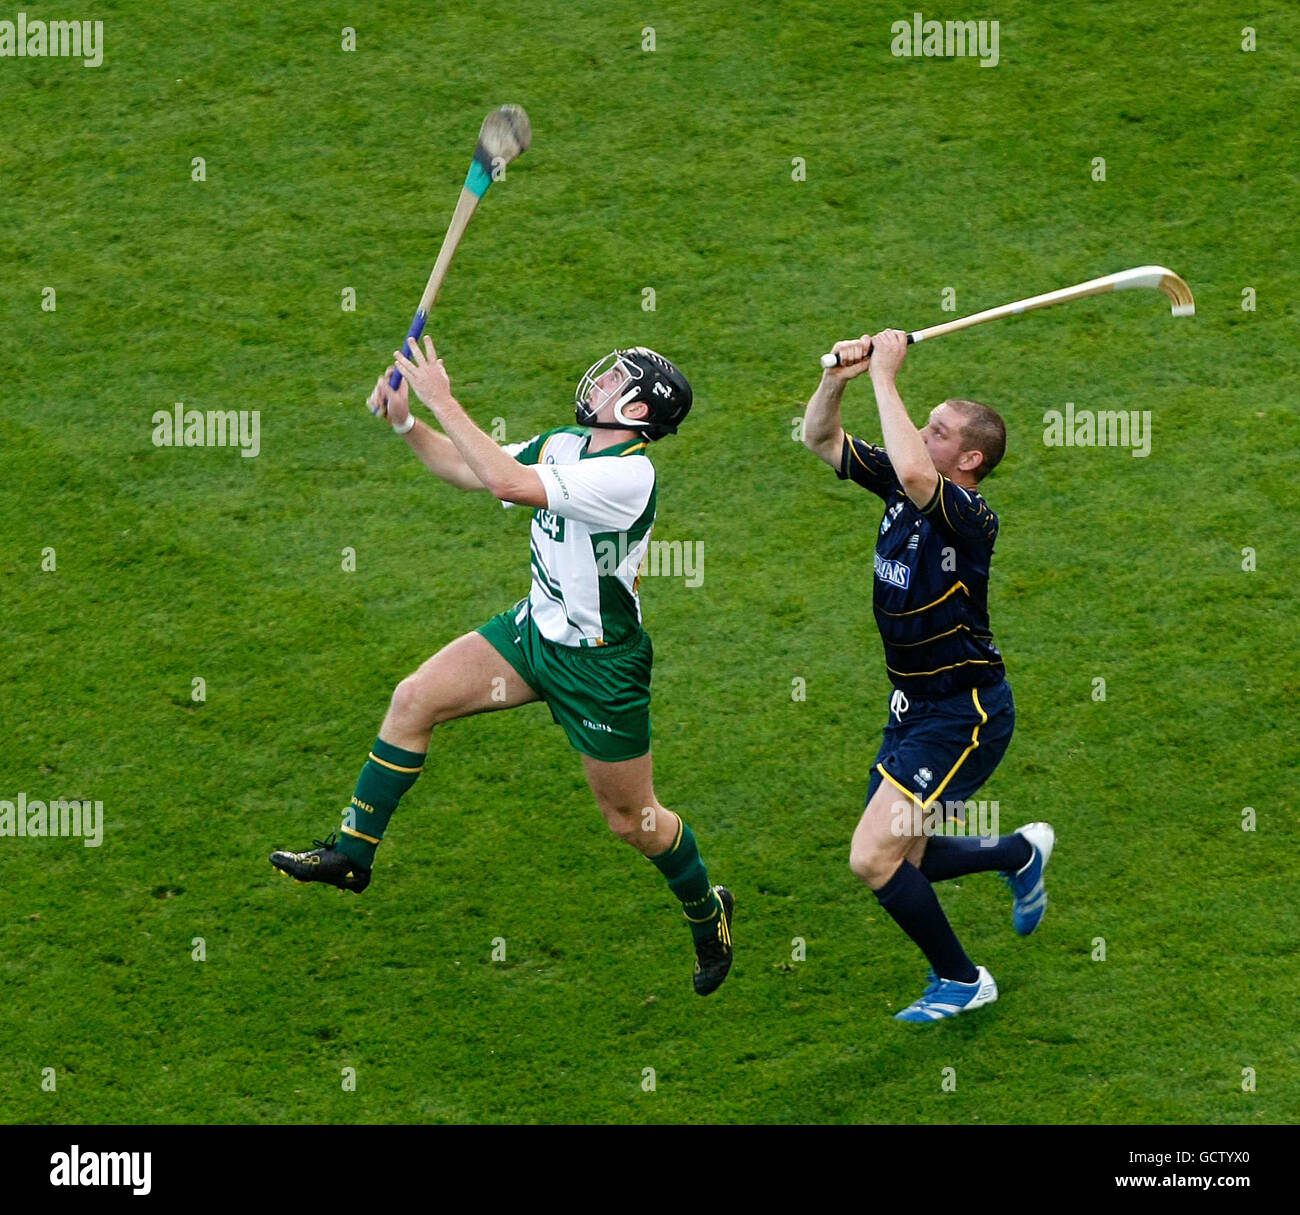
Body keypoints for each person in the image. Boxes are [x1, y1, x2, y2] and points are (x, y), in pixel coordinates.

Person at [271, 339, 734, 996]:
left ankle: (707, 913)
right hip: (532, 632)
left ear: (634, 410)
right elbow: (472, 470)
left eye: (615, 381)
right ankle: (352, 851)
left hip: (599, 667)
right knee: (414, 699)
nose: (596, 381)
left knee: (632, 820)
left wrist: (443, 396)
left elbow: (507, 481)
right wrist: (406, 421)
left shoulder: (630, 475)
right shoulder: (567, 443)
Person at [801, 328, 1054, 1022]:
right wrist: (841, 379)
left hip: (963, 713)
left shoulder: (969, 516)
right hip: (914, 705)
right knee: (905, 855)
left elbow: (916, 474)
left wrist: (886, 375)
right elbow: (819, 441)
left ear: (969, 458)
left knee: (873, 856)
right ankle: (1018, 850)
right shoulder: (906, 476)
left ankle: (963, 979)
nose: (919, 432)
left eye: (936, 430)